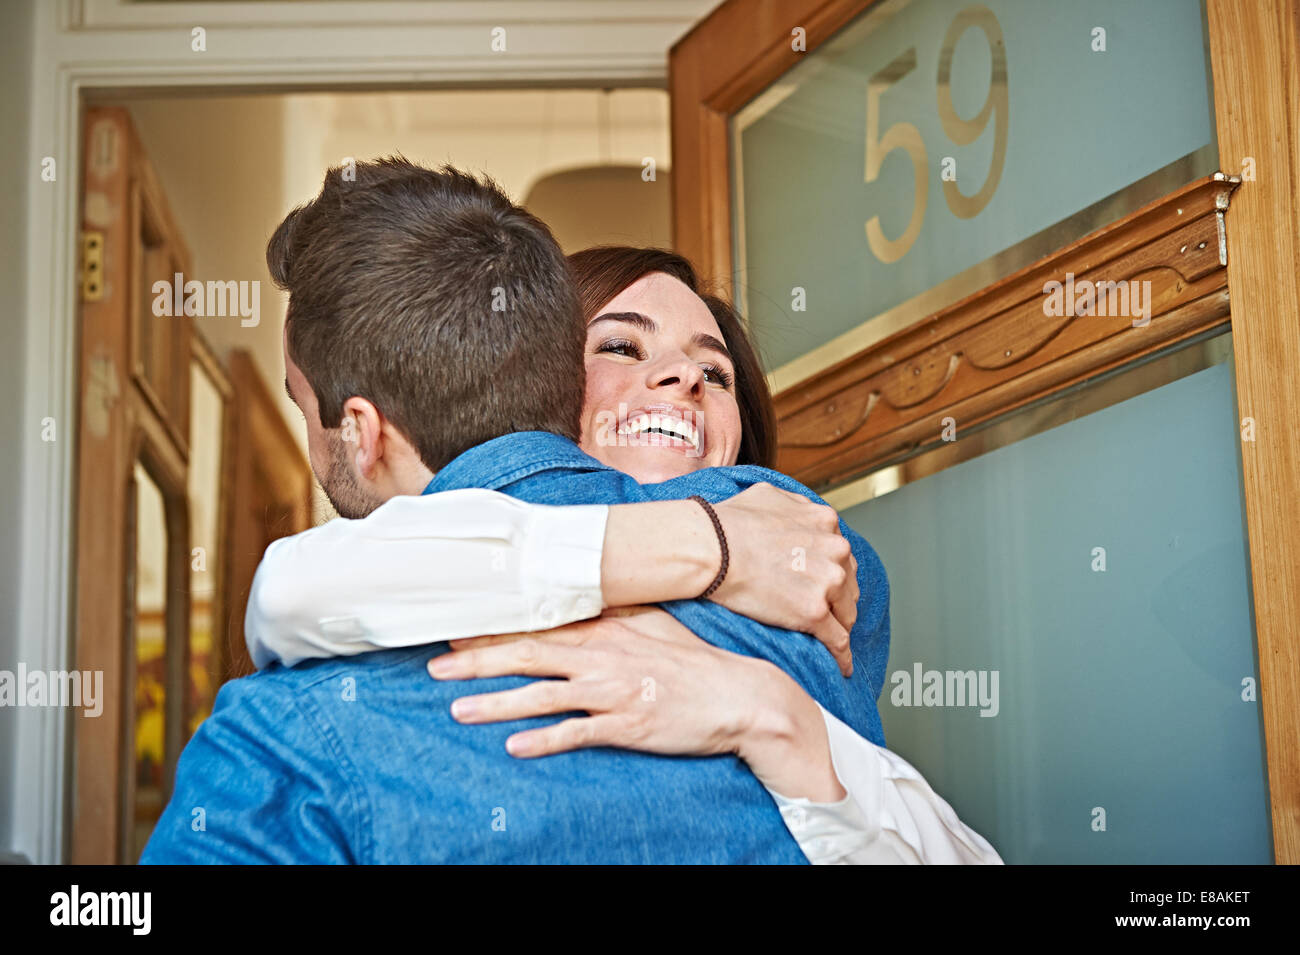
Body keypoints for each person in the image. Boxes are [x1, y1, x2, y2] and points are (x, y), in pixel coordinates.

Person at [141, 157, 994, 863]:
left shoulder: (804, 560)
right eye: (621, 346)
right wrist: (700, 545)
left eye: (718, 371)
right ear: (545, 373)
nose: (685, 379)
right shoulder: (757, 558)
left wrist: (769, 708)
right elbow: (301, 585)